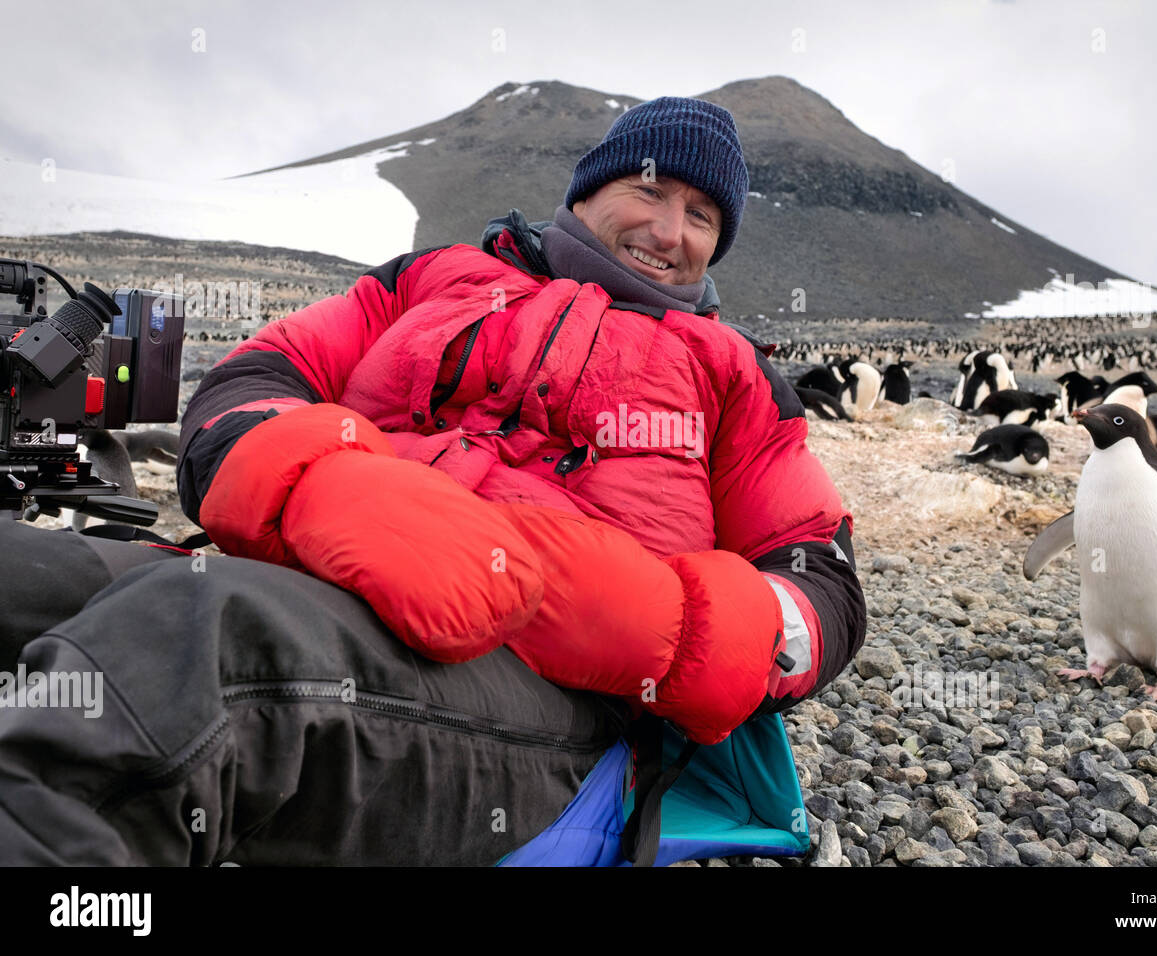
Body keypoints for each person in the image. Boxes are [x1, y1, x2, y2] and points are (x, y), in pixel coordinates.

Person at [0, 97, 865, 865]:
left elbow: (822, 585)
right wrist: (317, 484)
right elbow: (251, 381)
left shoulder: (735, 374)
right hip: (303, 566)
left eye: (702, 214)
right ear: (591, 189)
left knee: (201, 642)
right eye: (651, 191)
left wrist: (665, 624)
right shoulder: (434, 278)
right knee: (25, 574)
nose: (670, 231)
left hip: (530, 700)